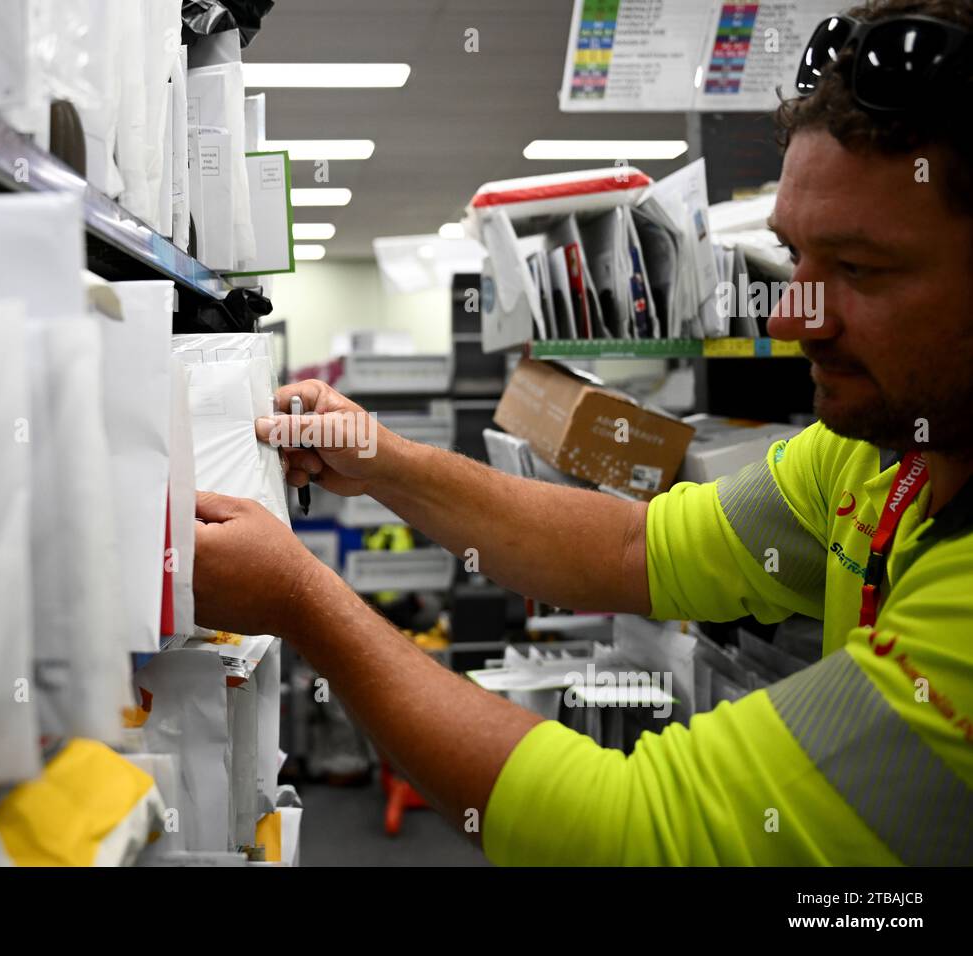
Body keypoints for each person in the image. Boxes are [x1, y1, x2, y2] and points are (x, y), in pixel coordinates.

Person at [192, 0, 973, 865]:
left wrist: (304, 602)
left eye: (860, 270)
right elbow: (638, 548)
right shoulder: (878, 456)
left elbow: (630, 832)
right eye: (796, 260)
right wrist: (386, 462)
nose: (792, 317)